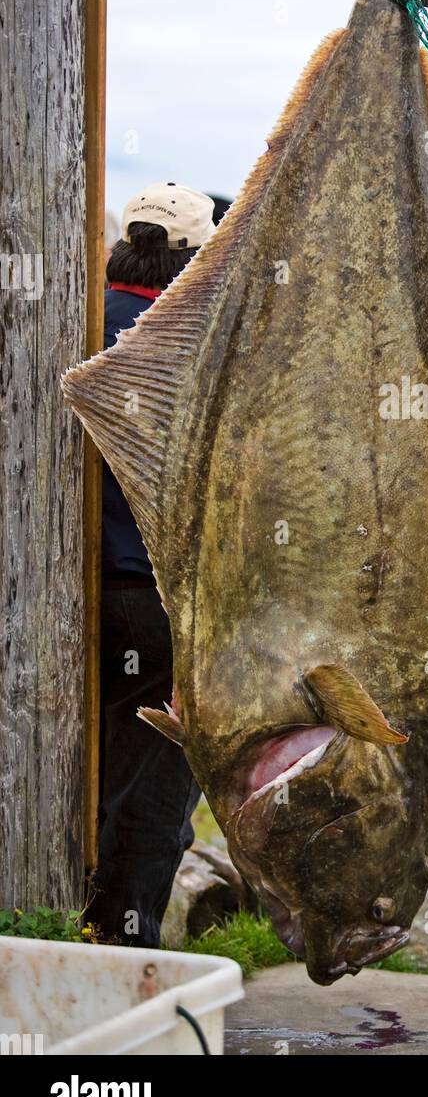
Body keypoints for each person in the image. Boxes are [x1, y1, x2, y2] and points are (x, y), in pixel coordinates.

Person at [87, 182, 219, 947]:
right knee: (159, 781)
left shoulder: (71, 322)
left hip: (71, 591)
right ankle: (121, 946)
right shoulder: (196, 343)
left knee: (83, 766)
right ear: (197, 258)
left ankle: (51, 925)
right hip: (166, 600)